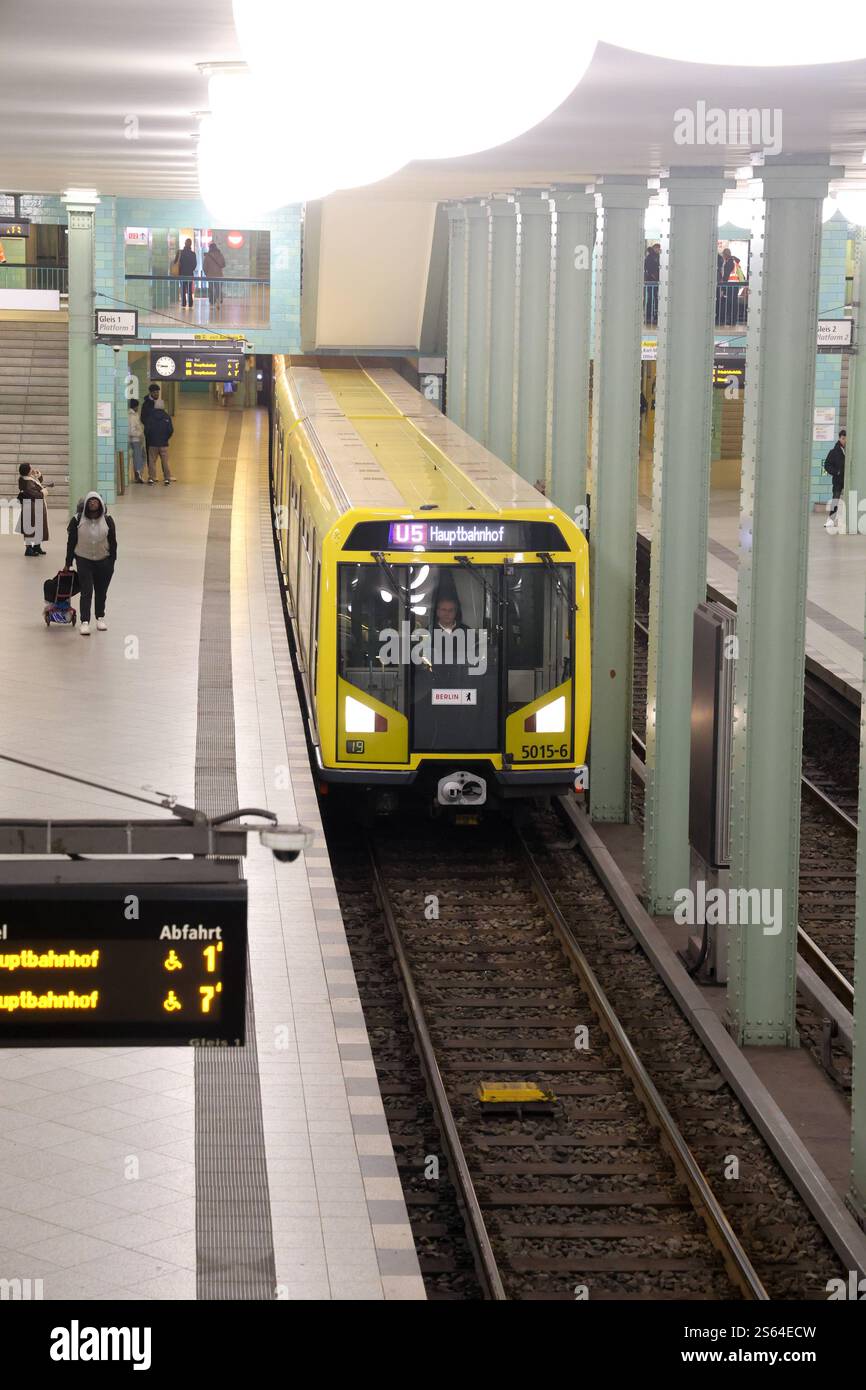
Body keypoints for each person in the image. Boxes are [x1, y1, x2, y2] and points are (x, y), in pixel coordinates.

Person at [65, 493, 117, 636]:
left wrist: (111, 562)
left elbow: (113, 543)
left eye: (96, 501)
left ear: (100, 504)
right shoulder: (77, 520)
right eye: (90, 501)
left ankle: (100, 617)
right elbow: (71, 543)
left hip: (104, 561)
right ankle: (85, 621)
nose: (93, 503)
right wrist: (68, 562)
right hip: (84, 559)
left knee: (101, 592)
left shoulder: (108, 520)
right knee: (86, 591)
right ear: (86, 504)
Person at [17, 462, 51, 557]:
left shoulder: (28, 478)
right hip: (31, 507)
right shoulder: (26, 482)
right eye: (30, 468)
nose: (32, 469)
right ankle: (28, 549)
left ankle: (37, 546)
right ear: (27, 471)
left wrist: (38, 475)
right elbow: (34, 494)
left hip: (36, 506)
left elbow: (39, 482)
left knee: (39, 526)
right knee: (29, 528)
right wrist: (43, 492)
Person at [146, 400, 174, 485]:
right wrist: (165, 438)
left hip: (153, 443)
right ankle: (167, 478)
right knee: (165, 461)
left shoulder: (150, 416)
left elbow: (147, 430)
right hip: (163, 444)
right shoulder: (167, 417)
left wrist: (150, 438)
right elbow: (170, 430)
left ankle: (152, 478)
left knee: (152, 461)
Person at [824, 429, 846, 529]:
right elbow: (827, 465)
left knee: (852, 497)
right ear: (839, 438)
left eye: (846, 438)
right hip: (838, 480)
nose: (844, 440)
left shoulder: (849, 450)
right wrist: (836, 472)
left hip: (848, 479)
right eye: (843, 438)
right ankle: (831, 520)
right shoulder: (834, 451)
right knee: (835, 499)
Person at [127, 398, 146, 483]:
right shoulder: (132, 416)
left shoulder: (134, 415)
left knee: (139, 456)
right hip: (135, 440)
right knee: (139, 457)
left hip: (137, 440)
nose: (138, 408)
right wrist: (140, 433)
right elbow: (131, 431)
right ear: (135, 406)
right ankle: (138, 473)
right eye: (137, 406)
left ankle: (137, 474)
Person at [203, 239, 226, 307]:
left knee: (211, 289)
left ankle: (212, 302)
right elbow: (223, 264)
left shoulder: (207, 256)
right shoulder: (220, 255)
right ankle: (219, 300)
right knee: (218, 288)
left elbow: (204, 267)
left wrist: (207, 273)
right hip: (219, 276)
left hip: (210, 276)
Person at [178, 237, 197, 308]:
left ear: (185, 244)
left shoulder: (181, 253)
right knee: (189, 289)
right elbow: (194, 264)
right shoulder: (193, 254)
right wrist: (191, 269)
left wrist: (180, 270)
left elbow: (177, 263)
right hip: (189, 273)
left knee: (183, 289)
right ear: (191, 244)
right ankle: (190, 303)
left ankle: (183, 303)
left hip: (182, 273)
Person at [644, 242, 660, 324]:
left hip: (652, 282)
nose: (658, 250)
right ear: (654, 248)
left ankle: (651, 317)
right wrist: (656, 277)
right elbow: (650, 269)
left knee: (654, 299)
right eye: (657, 248)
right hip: (652, 281)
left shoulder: (653, 257)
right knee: (652, 299)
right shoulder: (651, 257)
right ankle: (650, 317)